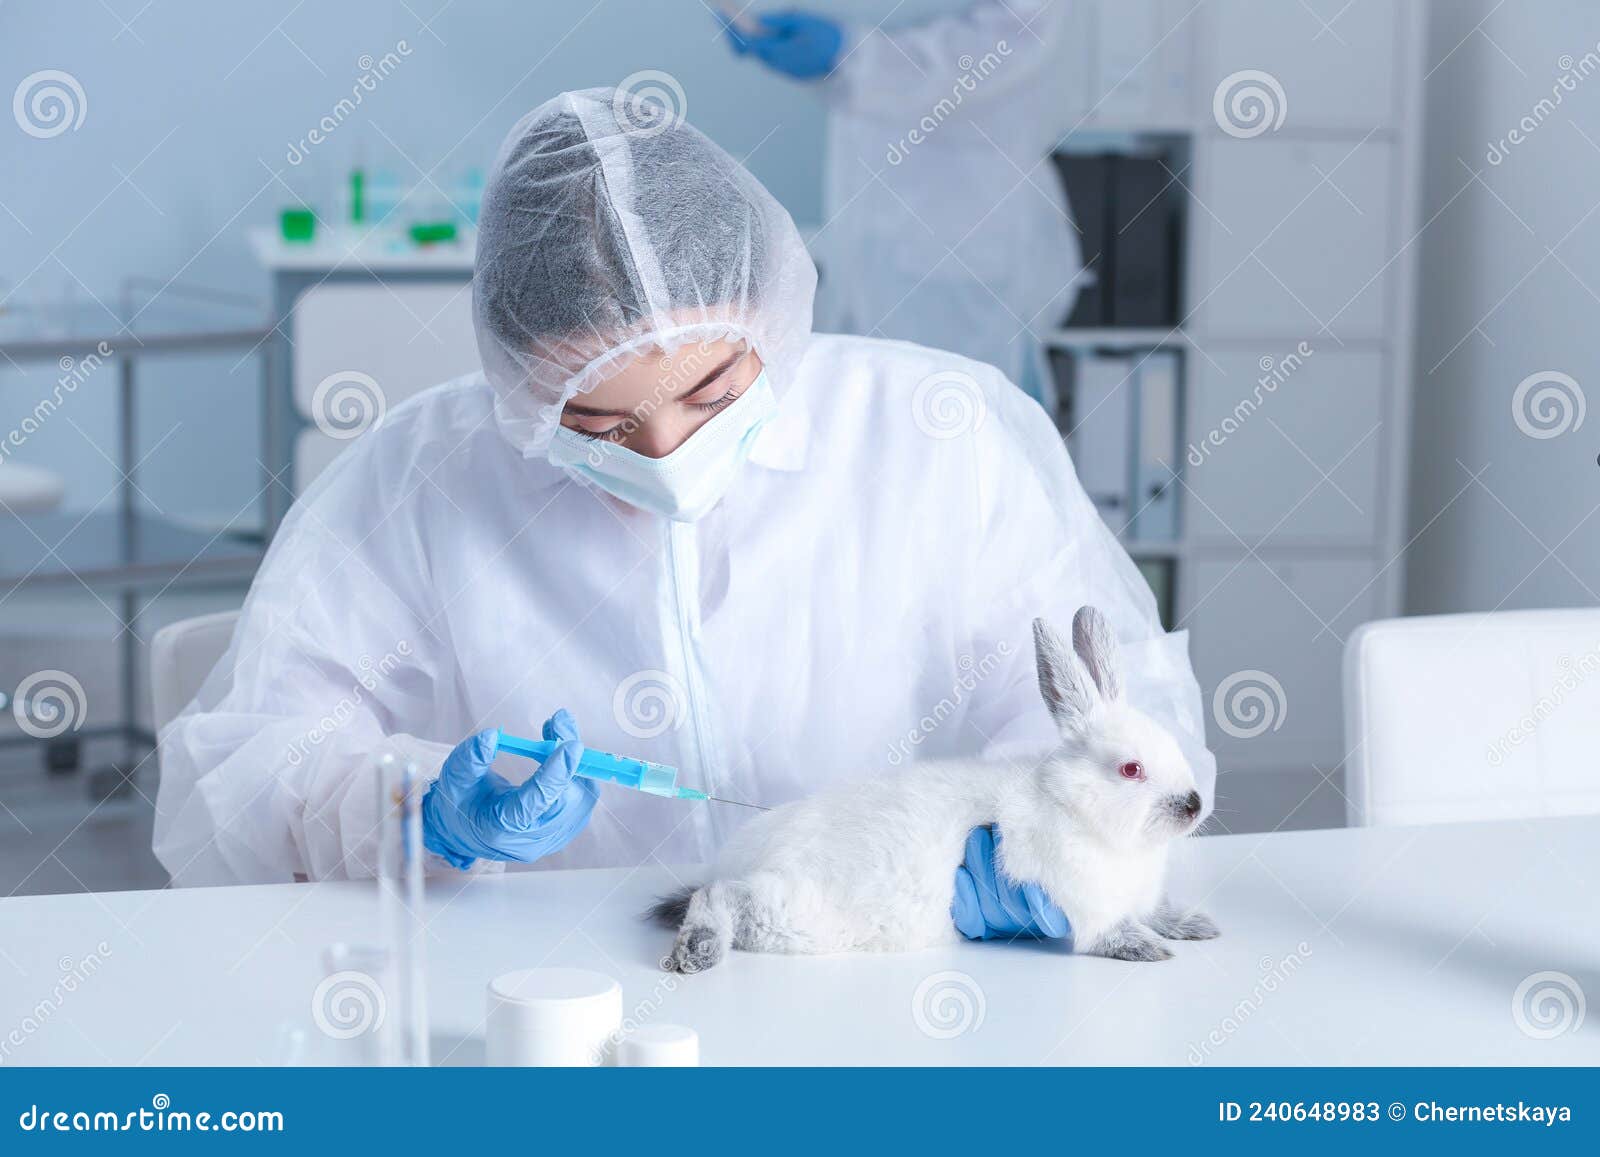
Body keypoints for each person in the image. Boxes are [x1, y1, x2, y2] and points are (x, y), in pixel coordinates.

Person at [154, 88, 1210, 942]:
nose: (667, 450)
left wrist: (1017, 848)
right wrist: (425, 812)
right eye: (601, 422)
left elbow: (1120, 718)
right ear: (518, 387)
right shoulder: (422, 478)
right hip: (548, 991)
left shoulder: (937, 433)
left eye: (711, 395)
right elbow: (253, 773)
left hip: (894, 963)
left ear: (776, 315)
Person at [723, 1, 1081, 400]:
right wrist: (785, 38)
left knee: (965, 421)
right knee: (876, 413)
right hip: (870, 235)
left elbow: (1001, 44)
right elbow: (863, 85)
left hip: (965, 247)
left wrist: (850, 53)